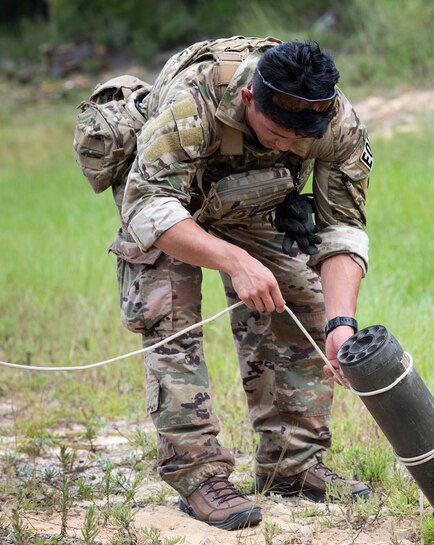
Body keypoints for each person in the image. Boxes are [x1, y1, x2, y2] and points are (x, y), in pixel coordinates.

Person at [110, 37, 373, 530]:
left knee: (301, 298)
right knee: (170, 318)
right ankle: (197, 474)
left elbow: (342, 229)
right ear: (250, 98)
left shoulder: (338, 122)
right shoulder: (194, 103)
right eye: (277, 132)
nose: (288, 146)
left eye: (300, 140)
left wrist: (342, 322)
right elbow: (148, 207)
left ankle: (292, 464)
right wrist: (234, 261)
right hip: (166, 203)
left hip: (249, 201)